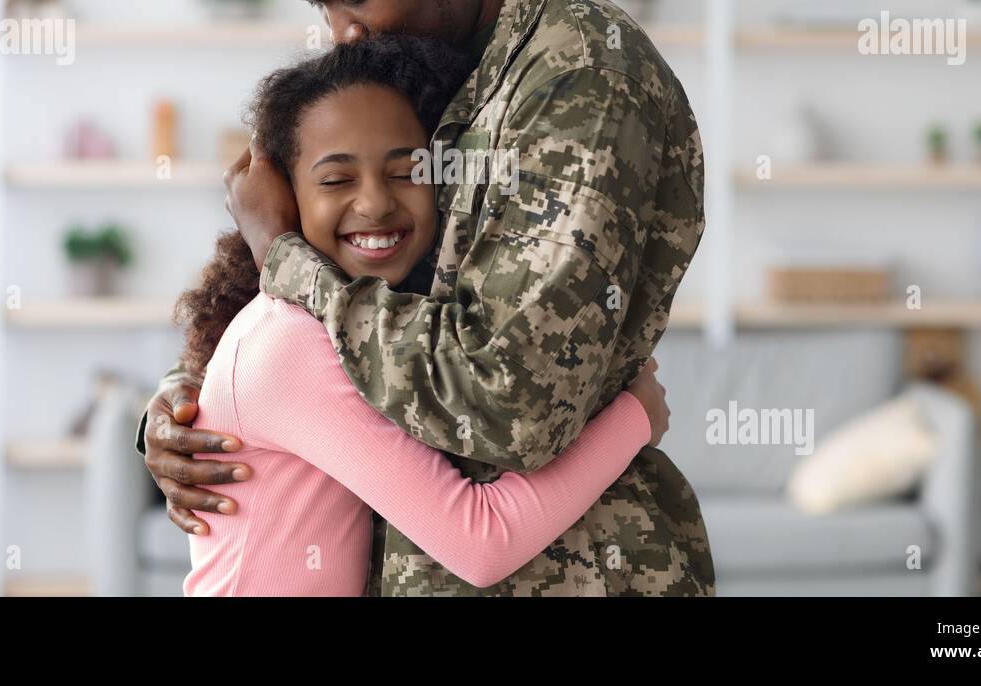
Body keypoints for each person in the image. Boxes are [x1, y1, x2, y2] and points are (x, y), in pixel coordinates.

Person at [140, 0, 713, 596]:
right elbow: (358, 297)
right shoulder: (433, 70)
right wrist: (191, 405)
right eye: (321, 8)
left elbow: (509, 402)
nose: (342, 31)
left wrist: (282, 257)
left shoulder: (583, 75)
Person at [176, 37, 670, 595]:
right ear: (287, 199)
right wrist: (636, 416)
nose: (375, 203)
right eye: (336, 179)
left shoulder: (388, 321)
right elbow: (482, 541)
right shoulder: (293, 340)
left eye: (406, 171)